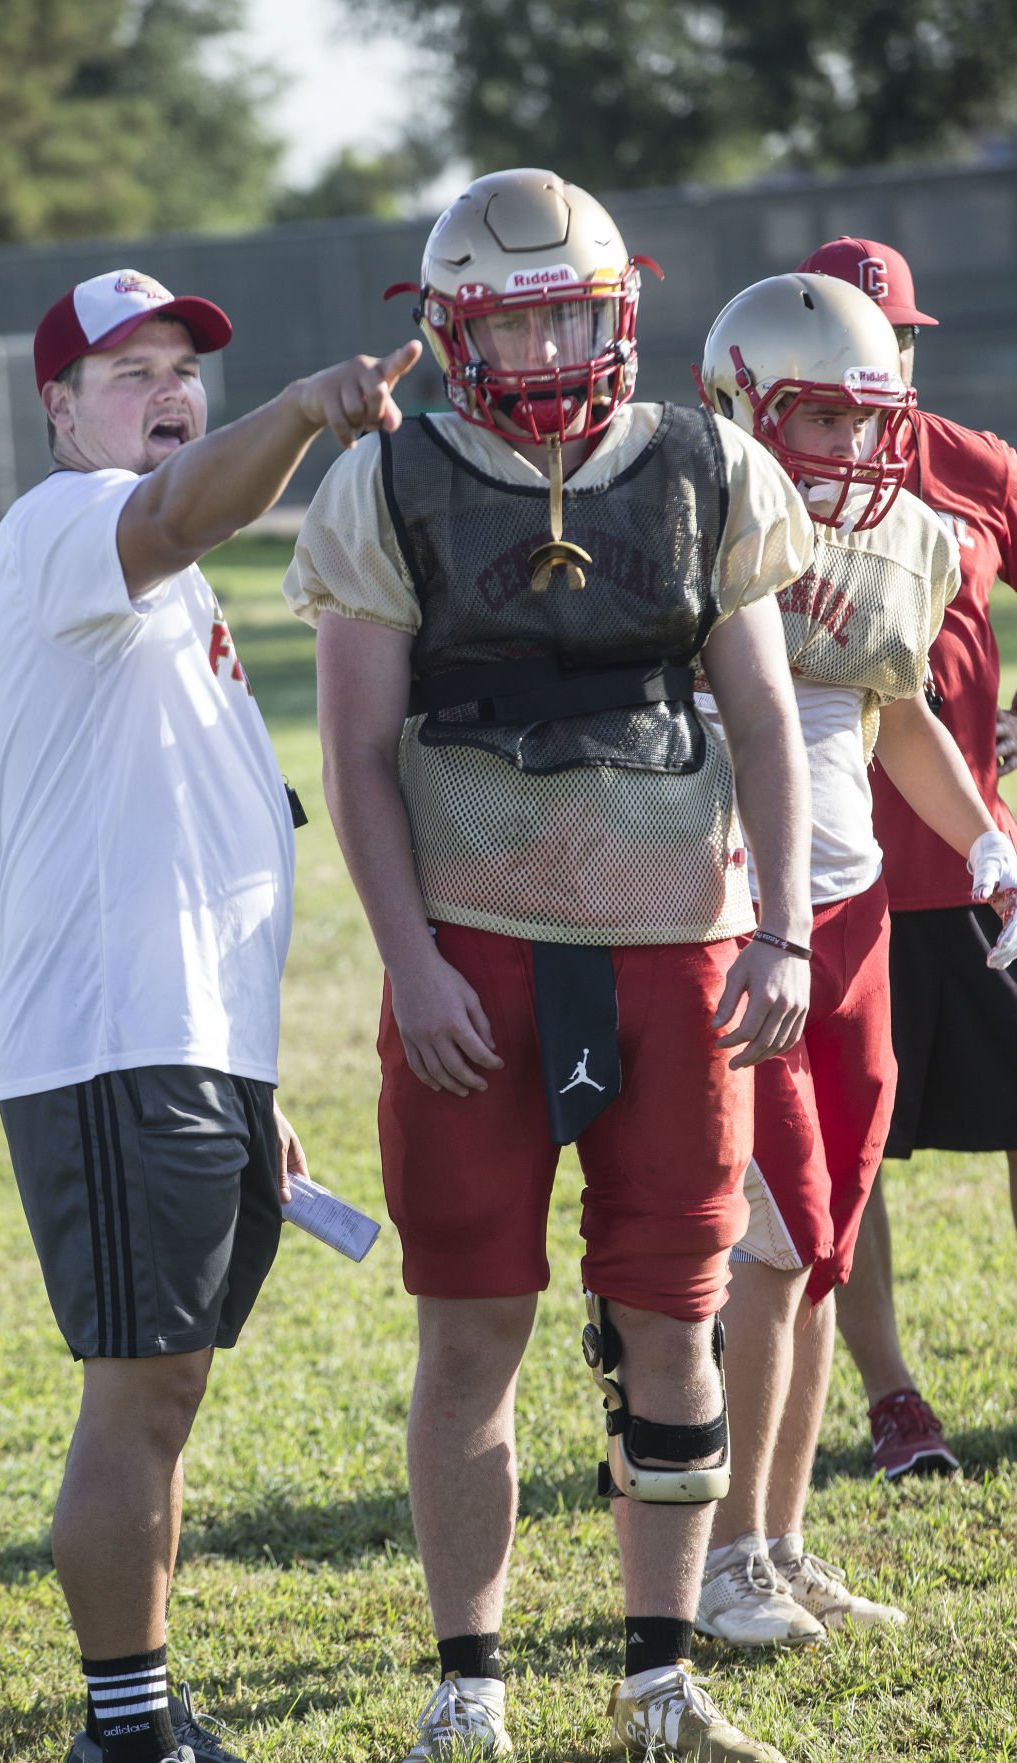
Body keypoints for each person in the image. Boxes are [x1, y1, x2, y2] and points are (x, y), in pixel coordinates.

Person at [284, 167, 818, 1763]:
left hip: (676, 945)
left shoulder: (707, 466)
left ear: (623, 309)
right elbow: (360, 750)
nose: (543, 342)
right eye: (512, 312)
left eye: (571, 309)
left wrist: (782, 921)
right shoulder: (385, 485)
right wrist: (409, 959)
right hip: (475, 959)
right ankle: (471, 1683)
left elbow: (767, 717)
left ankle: (656, 1673)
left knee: (673, 1310)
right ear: (449, 326)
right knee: (472, 1324)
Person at [0, 266, 421, 1763]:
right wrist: (303, 408)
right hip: (109, 1039)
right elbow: (172, 517)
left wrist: (245, 1069)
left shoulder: (161, 589)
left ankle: (141, 1705)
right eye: (126, 371)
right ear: (57, 409)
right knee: (139, 1385)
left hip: (183, 1046)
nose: (167, 388)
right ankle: (124, 1724)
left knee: (169, 1383)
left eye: (184, 366)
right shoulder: (65, 529)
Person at [692, 272, 1017, 1648]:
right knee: (765, 1245)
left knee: (815, 1248)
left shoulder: (894, 531)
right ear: (741, 402)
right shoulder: (682, 511)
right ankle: (715, 1559)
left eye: (861, 412)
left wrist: (986, 841)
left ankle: (776, 1537)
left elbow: (889, 717)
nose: (845, 442)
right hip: (728, 919)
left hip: (856, 911)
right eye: (814, 411)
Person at [793, 236, 1017, 1479]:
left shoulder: (967, 464)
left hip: (974, 867)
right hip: (834, 875)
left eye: (894, 343)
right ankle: (892, 1395)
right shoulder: (758, 478)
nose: (879, 364)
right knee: (851, 1153)